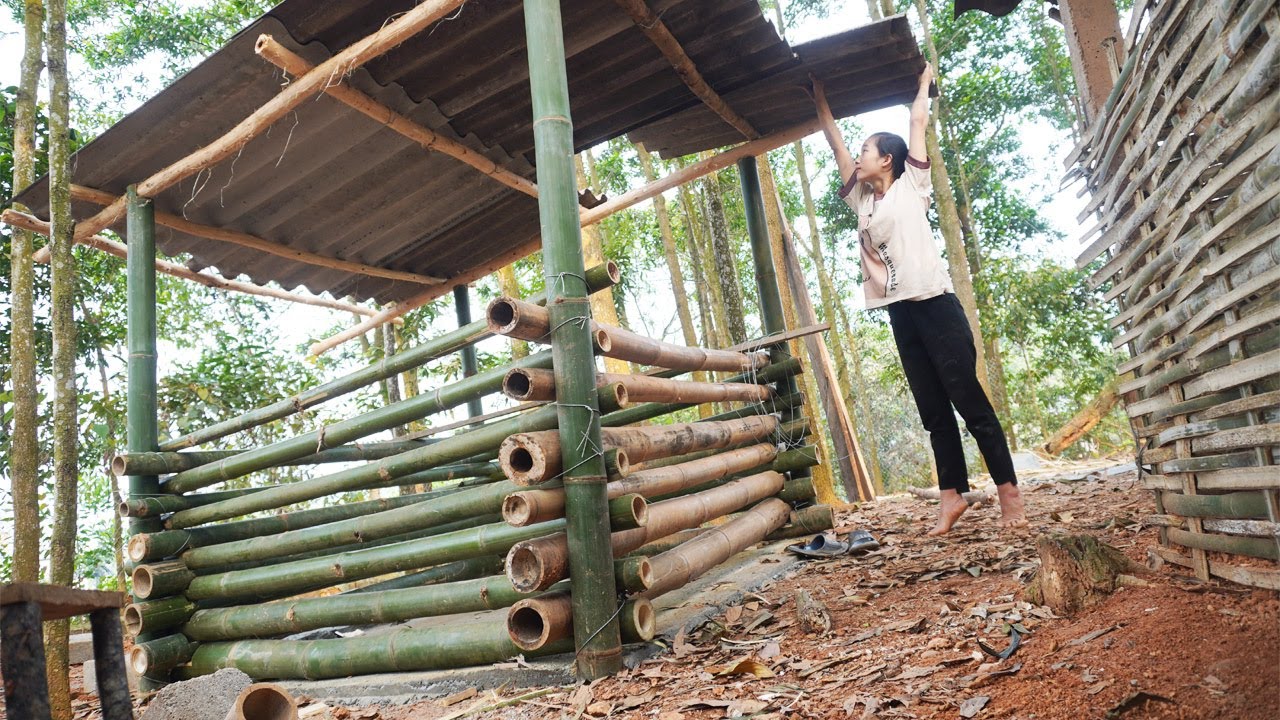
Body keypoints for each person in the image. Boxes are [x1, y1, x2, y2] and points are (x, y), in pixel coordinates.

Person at [810, 63, 1028, 535]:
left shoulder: (913, 184)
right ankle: (952, 495)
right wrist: (821, 102)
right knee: (933, 410)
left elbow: (916, 124)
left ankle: (1009, 493)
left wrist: (923, 84)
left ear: (887, 159)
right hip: (901, 314)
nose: (860, 156)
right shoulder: (862, 201)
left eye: (867, 150)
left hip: (936, 306)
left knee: (968, 401)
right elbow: (836, 147)